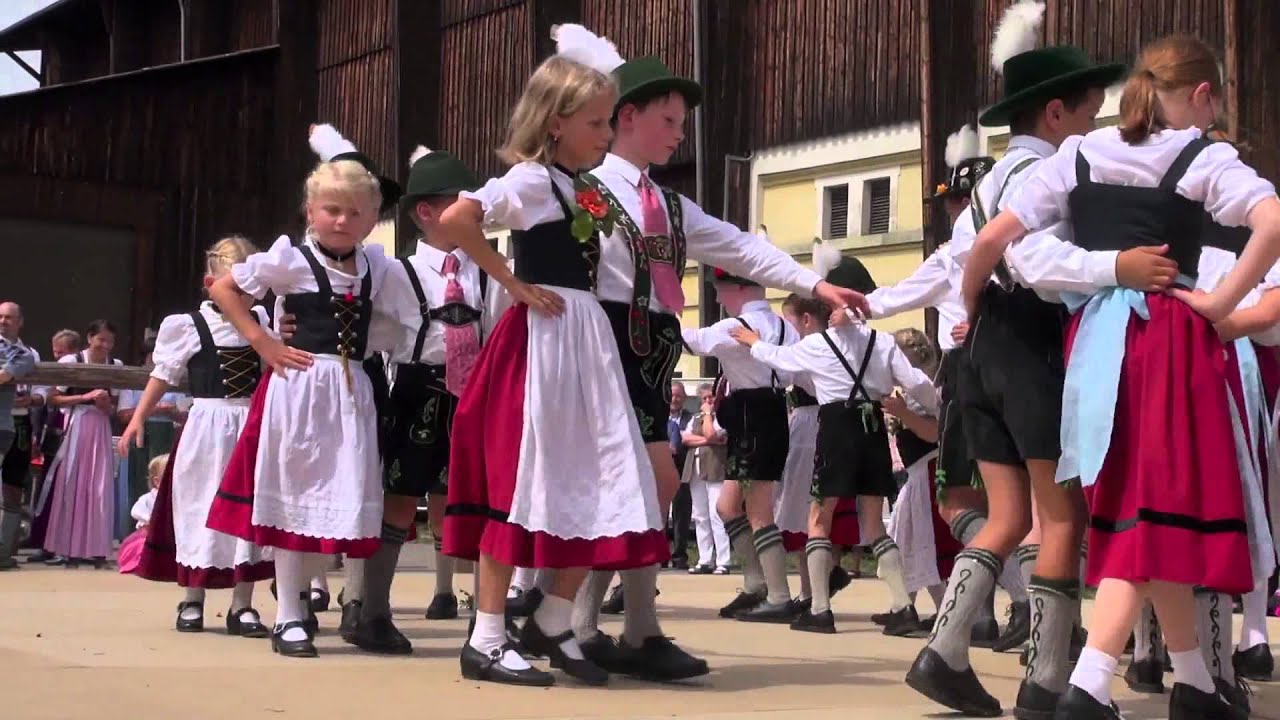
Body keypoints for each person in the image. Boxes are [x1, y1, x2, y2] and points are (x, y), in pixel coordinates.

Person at [962, 33, 1280, 720]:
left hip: (1094, 345)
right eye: (1215, 99)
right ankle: (1090, 682)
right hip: (1169, 342)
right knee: (1151, 511)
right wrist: (1225, 305)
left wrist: (971, 304)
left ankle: (1195, 683)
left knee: (1147, 509)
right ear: (1201, 94)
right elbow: (1274, 222)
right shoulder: (1203, 155)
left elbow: (993, 242)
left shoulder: (1079, 152)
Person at [570, 41, 865, 674]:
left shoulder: (671, 206)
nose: (680, 136)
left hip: (649, 353)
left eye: (682, 124)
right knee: (636, 484)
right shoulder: (585, 193)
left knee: (643, 485)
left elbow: (741, 247)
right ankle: (594, 626)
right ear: (626, 117)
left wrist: (814, 284)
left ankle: (594, 626)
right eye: (669, 121)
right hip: (598, 345)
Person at [436, 26, 670, 687]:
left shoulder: (580, 187)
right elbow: (458, 219)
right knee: (522, 482)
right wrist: (510, 283)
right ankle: (485, 638)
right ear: (556, 121)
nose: (606, 131)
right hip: (541, 343)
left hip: (585, 339)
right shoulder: (533, 180)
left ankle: (555, 618)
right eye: (595, 122)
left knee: (601, 484)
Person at [205, 123, 403, 658]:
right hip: (298, 387)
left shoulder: (376, 266)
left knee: (332, 502)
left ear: (371, 217)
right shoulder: (291, 258)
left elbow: (394, 326)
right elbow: (225, 288)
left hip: (350, 391)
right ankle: (289, 615)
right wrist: (263, 343)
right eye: (332, 209)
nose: (342, 221)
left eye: (355, 212)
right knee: (293, 501)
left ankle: (304, 604)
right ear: (311, 210)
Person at [337, 144, 498, 654]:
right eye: (461, 203)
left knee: (480, 501)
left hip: (475, 397)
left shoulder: (487, 269)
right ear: (427, 213)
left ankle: (489, 614)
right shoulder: (395, 273)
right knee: (400, 499)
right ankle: (371, 610)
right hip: (415, 390)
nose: (476, 212)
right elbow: (360, 327)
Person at [731, 250, 938, 635]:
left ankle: (820, 609)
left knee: (819, 518)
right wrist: (938, 409)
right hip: (872, 424)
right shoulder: (882, 343)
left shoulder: (819, 345)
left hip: (836, 426)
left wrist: (752, 341)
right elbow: (918, 383)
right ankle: (902, 607)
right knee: (874, 522)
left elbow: (781, 359)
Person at [121, 235, 273, 636]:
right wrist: (138, 417)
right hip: (206, 424)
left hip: (249, 424)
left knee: (247, 511)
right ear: (212, 282)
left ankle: (243, 604)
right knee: (198, 507)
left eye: (249, 288)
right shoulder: (188, 326)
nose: (243, 296)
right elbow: (163, 375)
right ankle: (192, 599)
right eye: (235, 287)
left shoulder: (262, 323)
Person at [43, 320, 123, 569]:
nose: (105, 345)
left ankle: (98, 550)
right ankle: (69, 549)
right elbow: (53, 397)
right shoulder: (72, 361)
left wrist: (105, 406)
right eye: (101, 339)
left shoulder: (116, 366)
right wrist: (85, 397)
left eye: (109, 341)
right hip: (77, 423)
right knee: (73, 483)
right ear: (90, 338)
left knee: (99, 486)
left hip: (100, 427)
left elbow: (116, 408)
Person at [24, 328, 81, 561]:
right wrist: (36, 434)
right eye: (55, 353)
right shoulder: (53, 375)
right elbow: (41, 406)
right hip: (51, 435)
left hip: (71, 432)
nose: (58, 358)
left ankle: (55, 541)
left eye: (62, 353)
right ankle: (38, 535)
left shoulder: (78, 369)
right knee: (44, 486)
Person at [681, 382, 730, 574]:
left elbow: (713, 432)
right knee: (700, 515)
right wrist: (708, 441)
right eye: (704, 399)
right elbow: (685, 439)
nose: (708, 401)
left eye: (711, 397)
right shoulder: (694, 418)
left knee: (716, 513)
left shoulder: (721, 418)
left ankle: (723, 560)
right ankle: (705, 559)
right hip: (695, 469)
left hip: (715, 468)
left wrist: (708, 414)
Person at [0, 320, 35, 569]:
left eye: (8, 317)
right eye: (0, 316)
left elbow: (43, 391)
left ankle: (5, 549)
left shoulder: (26, 353)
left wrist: (34, 399)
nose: (3, 322)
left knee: (13, 486)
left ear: (20, 322)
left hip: (18, 423)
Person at [118, 454, 165, 576]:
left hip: (166, 535)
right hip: (148, 534)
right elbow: (136, 511)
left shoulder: (176, 498)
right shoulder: (149, 498)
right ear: (157, 481)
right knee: (142, 548)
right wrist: (149, 519)